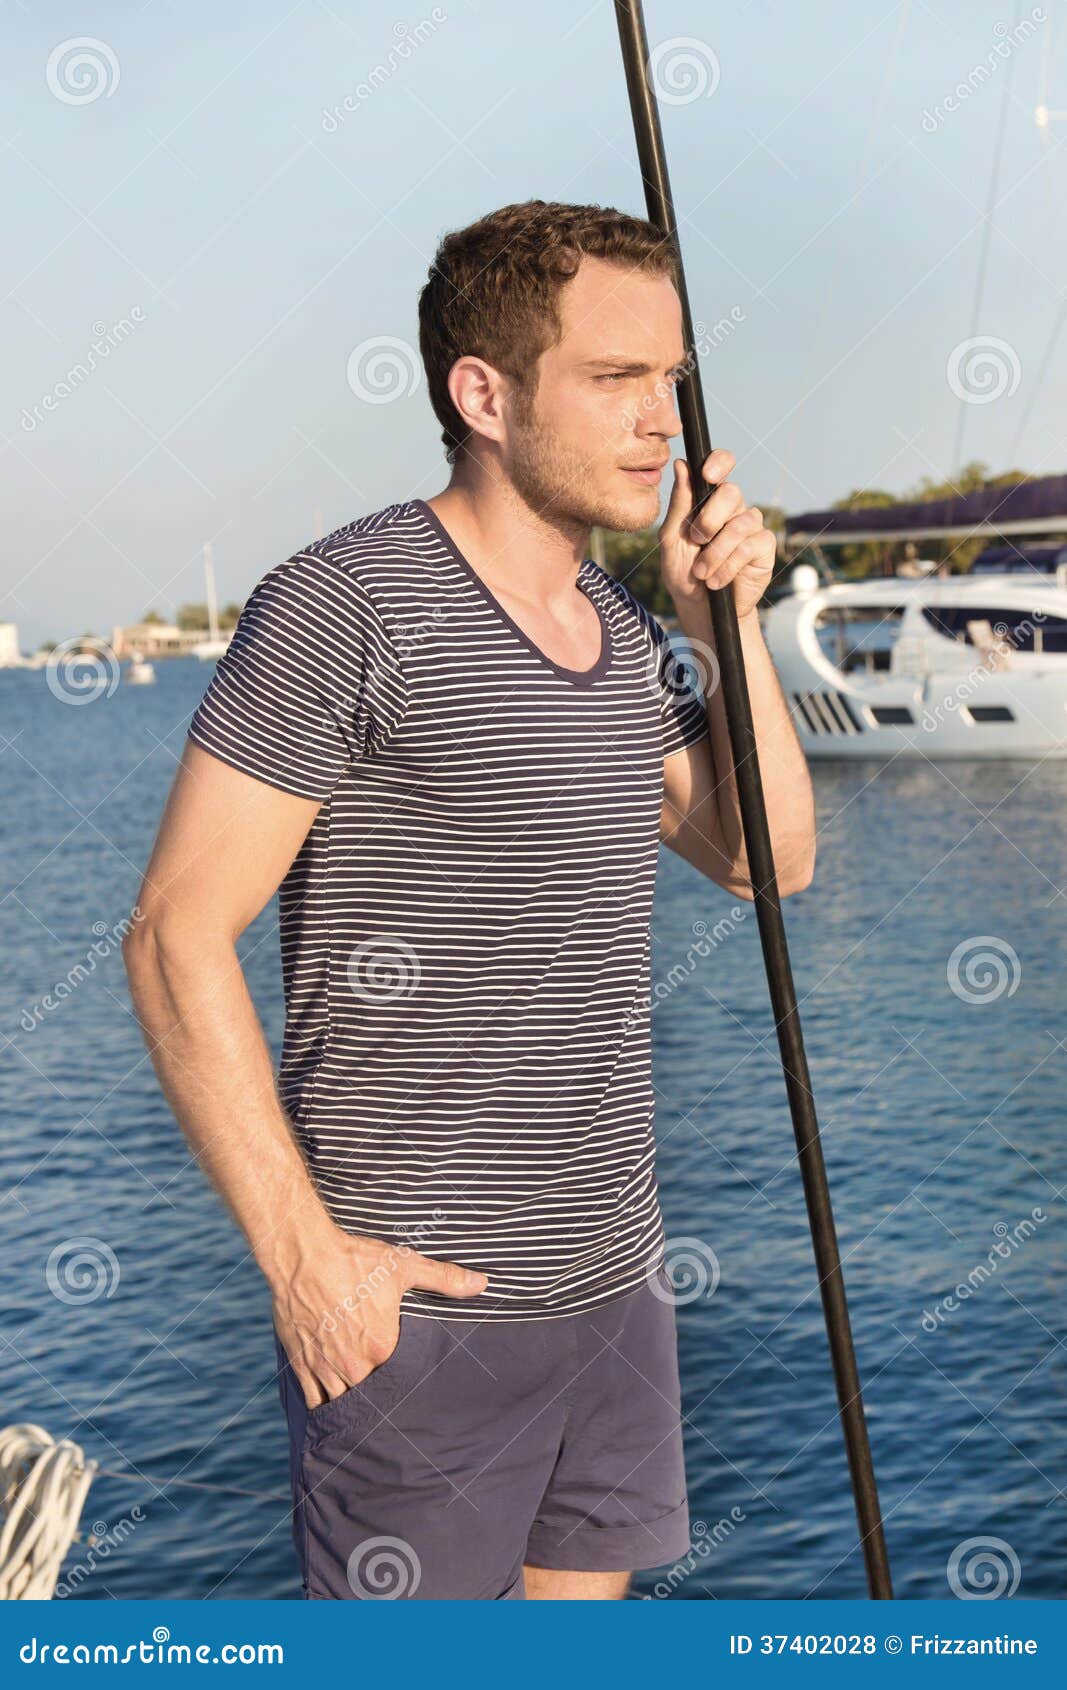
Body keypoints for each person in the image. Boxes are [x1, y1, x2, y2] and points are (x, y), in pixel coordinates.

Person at [124, 199, 815, 1601]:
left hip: (618, 1293)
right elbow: (172, 936)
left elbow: (770, 861)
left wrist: (721, 619)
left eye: (670, 380)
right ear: (483, 394)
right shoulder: (345, 607)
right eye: (615, 379)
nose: (660, 421)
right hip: (421, 1327)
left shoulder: (625, 641)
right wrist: (304, 1257)